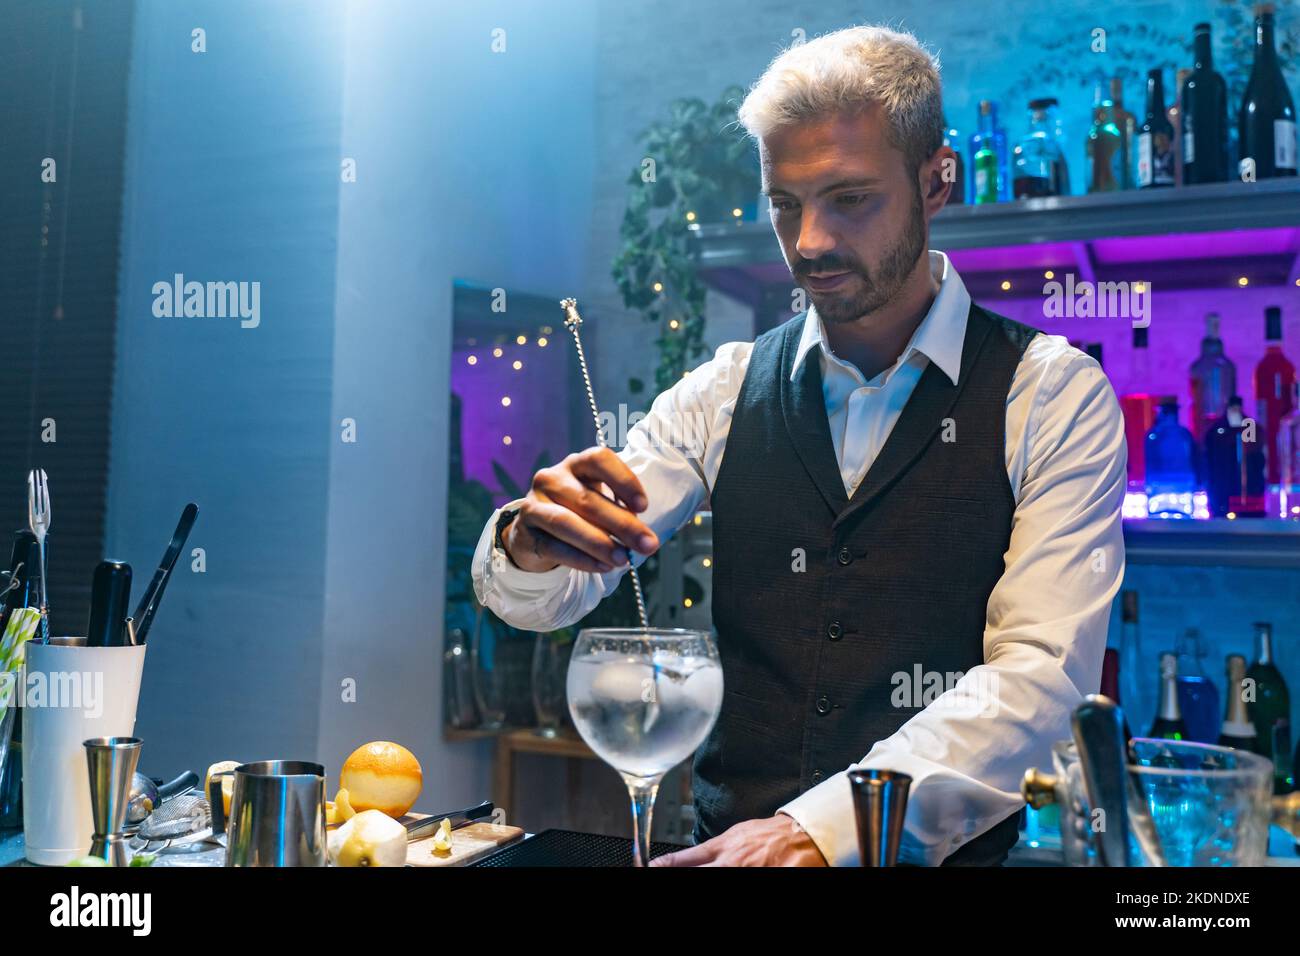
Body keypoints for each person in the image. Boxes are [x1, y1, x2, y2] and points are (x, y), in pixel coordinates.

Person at [472, 24, 1126, 866]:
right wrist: (534, 539)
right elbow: (546, 597)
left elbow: (1043, 678)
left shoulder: (1052, 394)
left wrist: (816, 835)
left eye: (849, 199)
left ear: (936, 182)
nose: (810, 241)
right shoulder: (725, 390)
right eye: (786, 203)